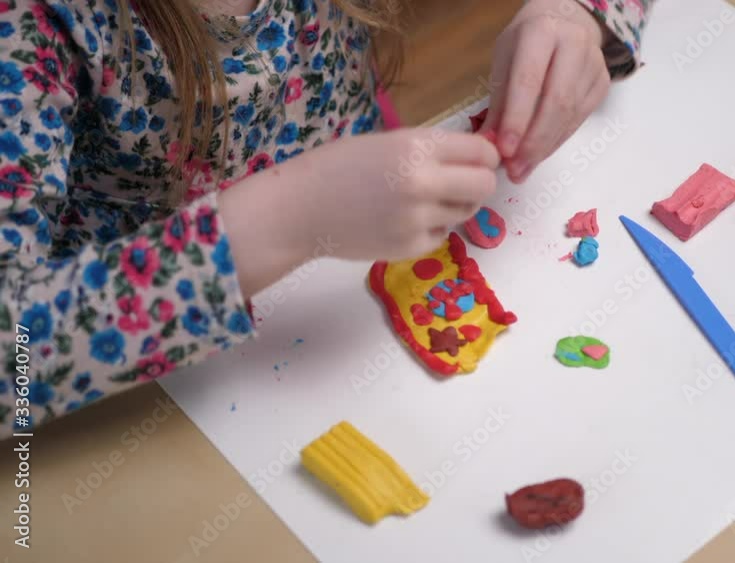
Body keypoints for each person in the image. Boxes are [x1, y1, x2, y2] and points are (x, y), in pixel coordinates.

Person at [0, 0, 650, 437]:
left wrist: (581, 16)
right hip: (163, 388)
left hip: (371, 252)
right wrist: (291, 216)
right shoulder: (26, 26)